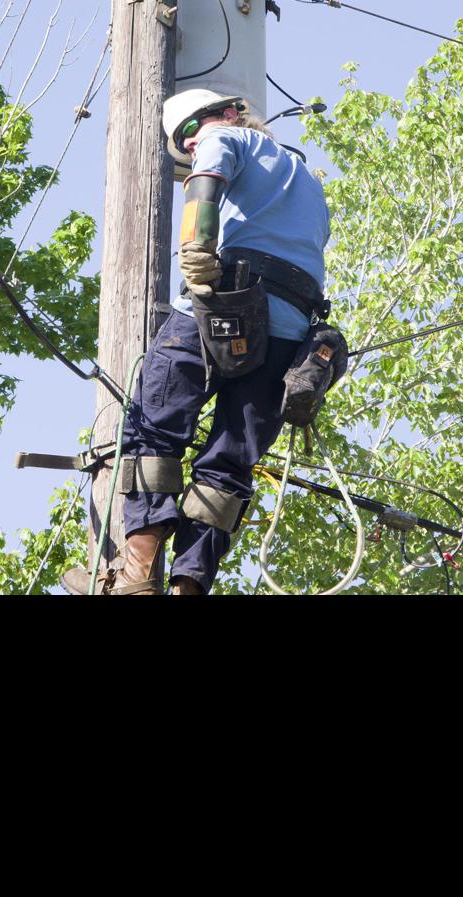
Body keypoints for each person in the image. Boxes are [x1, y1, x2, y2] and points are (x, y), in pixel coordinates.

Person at [65, 88, 332, 595]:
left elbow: (205, 181)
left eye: (195, 130)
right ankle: (189, 587)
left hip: (222, 305)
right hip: (288, 333)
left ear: (231, 113)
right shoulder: (310, 186)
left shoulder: (228, 137)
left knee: (152, 427)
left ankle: (136, 573)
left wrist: (198, 246)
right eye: (185, 140)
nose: (193, 143)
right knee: (229, 465)